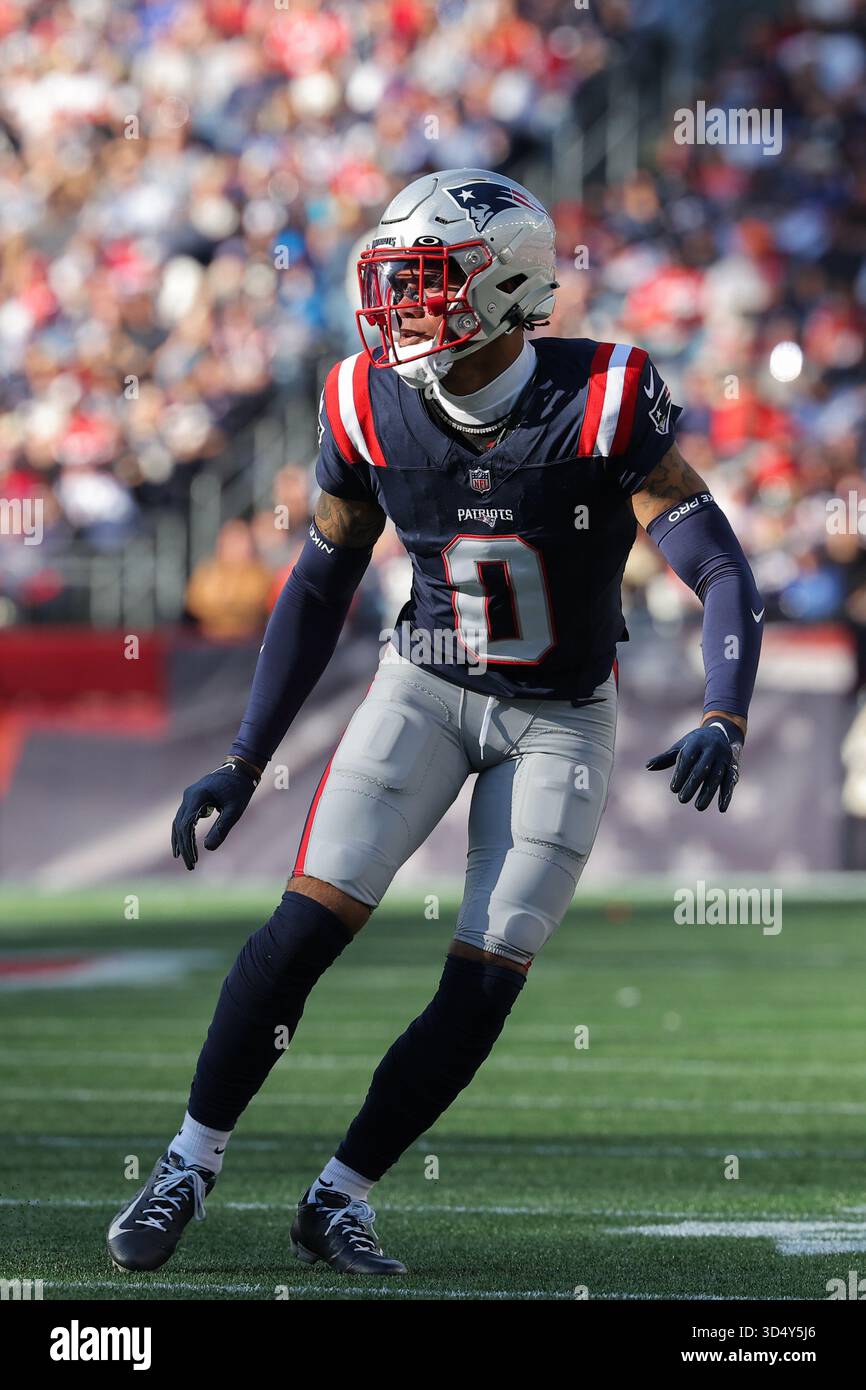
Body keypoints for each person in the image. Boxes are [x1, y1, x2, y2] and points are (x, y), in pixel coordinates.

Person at [108, 169, 762, 1277]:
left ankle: (337, 1196)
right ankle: (186, 1162)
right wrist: (240, 757)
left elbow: (719, 564)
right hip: (423, 684)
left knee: (485, 973)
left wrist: (724, 713)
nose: (400, 309)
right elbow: (319, 582)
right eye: (395, 285)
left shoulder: (604, 396)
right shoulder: (365, 401)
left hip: (559, 714)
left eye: (425, 284)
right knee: (302, 928)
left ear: (504, 289)